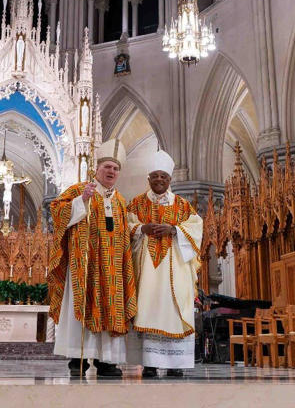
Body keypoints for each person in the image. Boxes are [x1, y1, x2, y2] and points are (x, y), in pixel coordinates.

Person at [48, 139, 137, 378]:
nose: (111, 171)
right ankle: (77, 360)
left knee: (111, 308)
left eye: (116, 168)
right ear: (96, 169)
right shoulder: (80, 189)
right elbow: (57, 212)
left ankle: (106, 361)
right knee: (82, 306)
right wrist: (82, 201)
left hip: (112, 267)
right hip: (84, 264)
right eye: (107, 167)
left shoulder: (120, 200)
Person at [126, 150, 203, 378]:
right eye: (155, 176)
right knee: (146, 309)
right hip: (146, 272)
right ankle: (149, 363)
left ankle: (174, 363)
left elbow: (196, 227)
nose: (159, 179)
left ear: (170, 180)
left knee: (174, 311)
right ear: (148, 178)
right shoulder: (137, 203)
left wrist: (174, 230)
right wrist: (142, 228)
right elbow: (125, 226)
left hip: (176, 271)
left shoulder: (182, 205)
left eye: (164, 176)